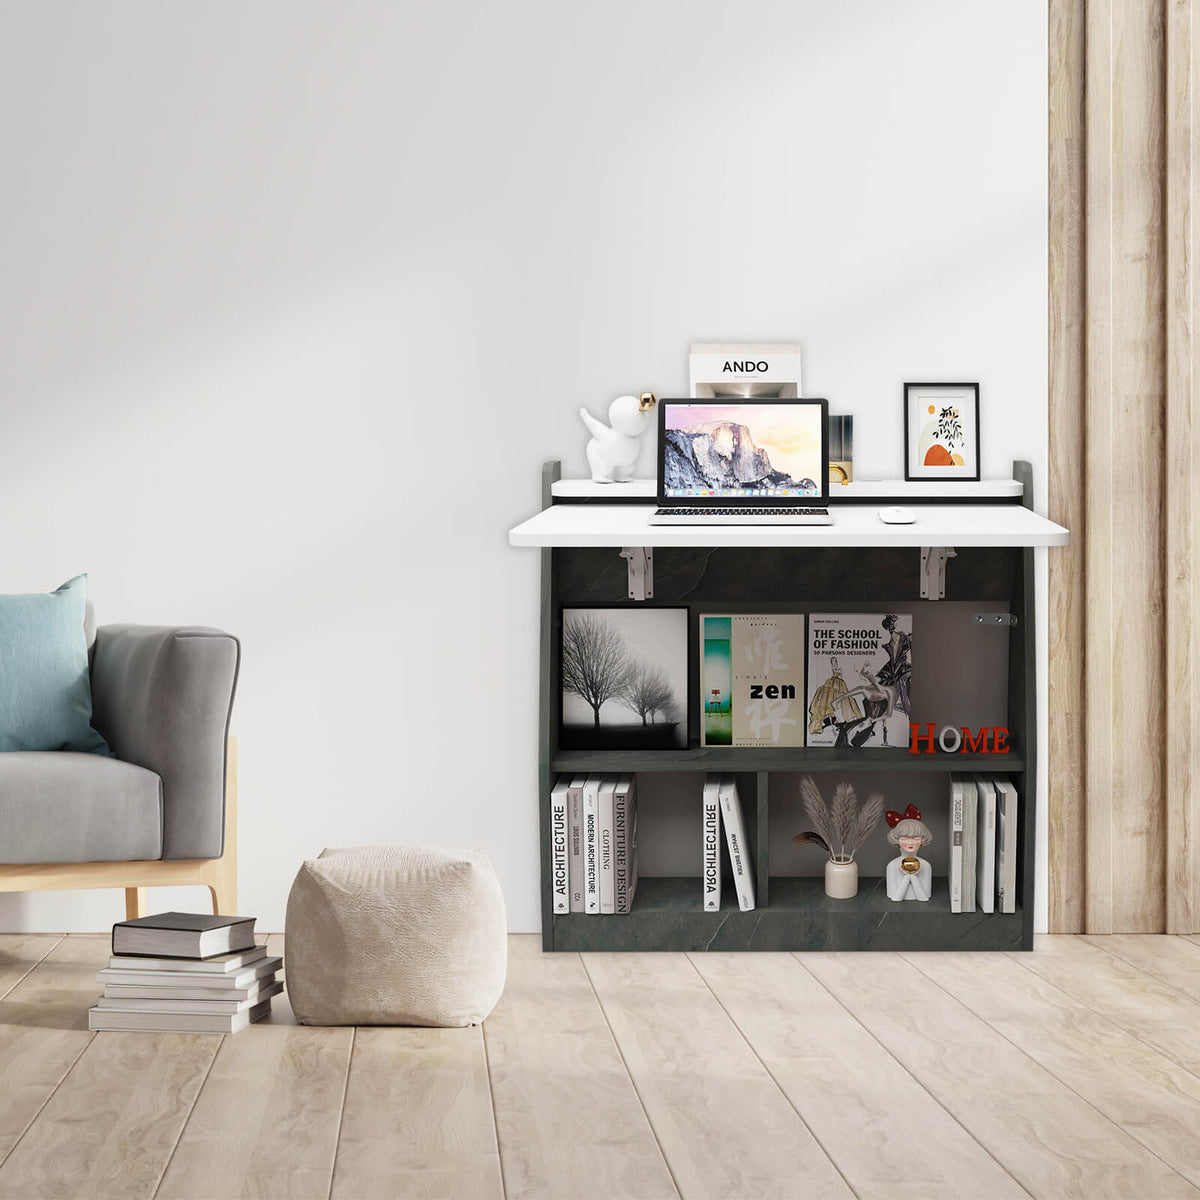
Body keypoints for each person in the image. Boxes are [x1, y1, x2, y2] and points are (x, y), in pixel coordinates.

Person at [885, 805, 932, 901]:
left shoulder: (926, 866)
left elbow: (924, 898)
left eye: (916, 838)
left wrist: (912, 877)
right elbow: (895, 898)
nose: (910, 843)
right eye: (904, 838)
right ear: (897, 840)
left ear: (922, 840)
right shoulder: (892, 866)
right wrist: (907, 877)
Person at [875, 614, 912, 717]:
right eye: (893, 622)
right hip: (893, 671)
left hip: (903, 670)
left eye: (894, 622)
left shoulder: (905, 638)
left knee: (904, 681)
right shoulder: (889, 643)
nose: (894, 625)